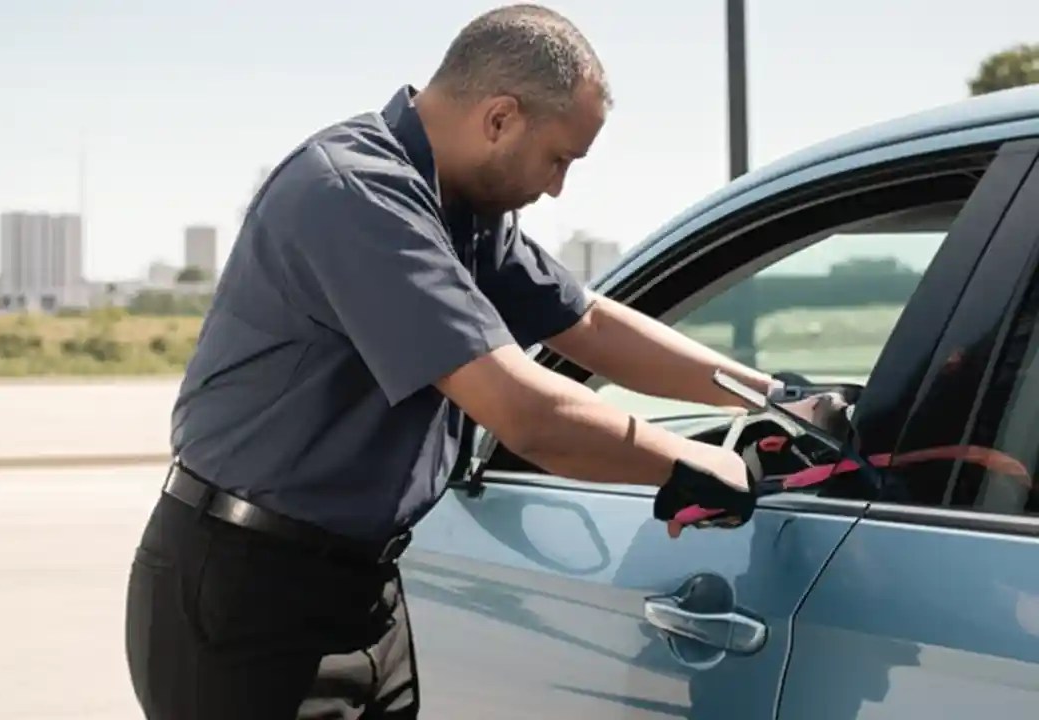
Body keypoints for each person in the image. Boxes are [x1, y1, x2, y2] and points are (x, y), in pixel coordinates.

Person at [124, 4, 848, 718]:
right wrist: (688, 465)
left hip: (364, 591)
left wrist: (771, 397)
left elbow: (587, 322)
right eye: (559, 158)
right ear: (499, 118)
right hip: (250, 598)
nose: (559, 186)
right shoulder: (355, 195)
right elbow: (523, 411)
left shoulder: (461, 207)